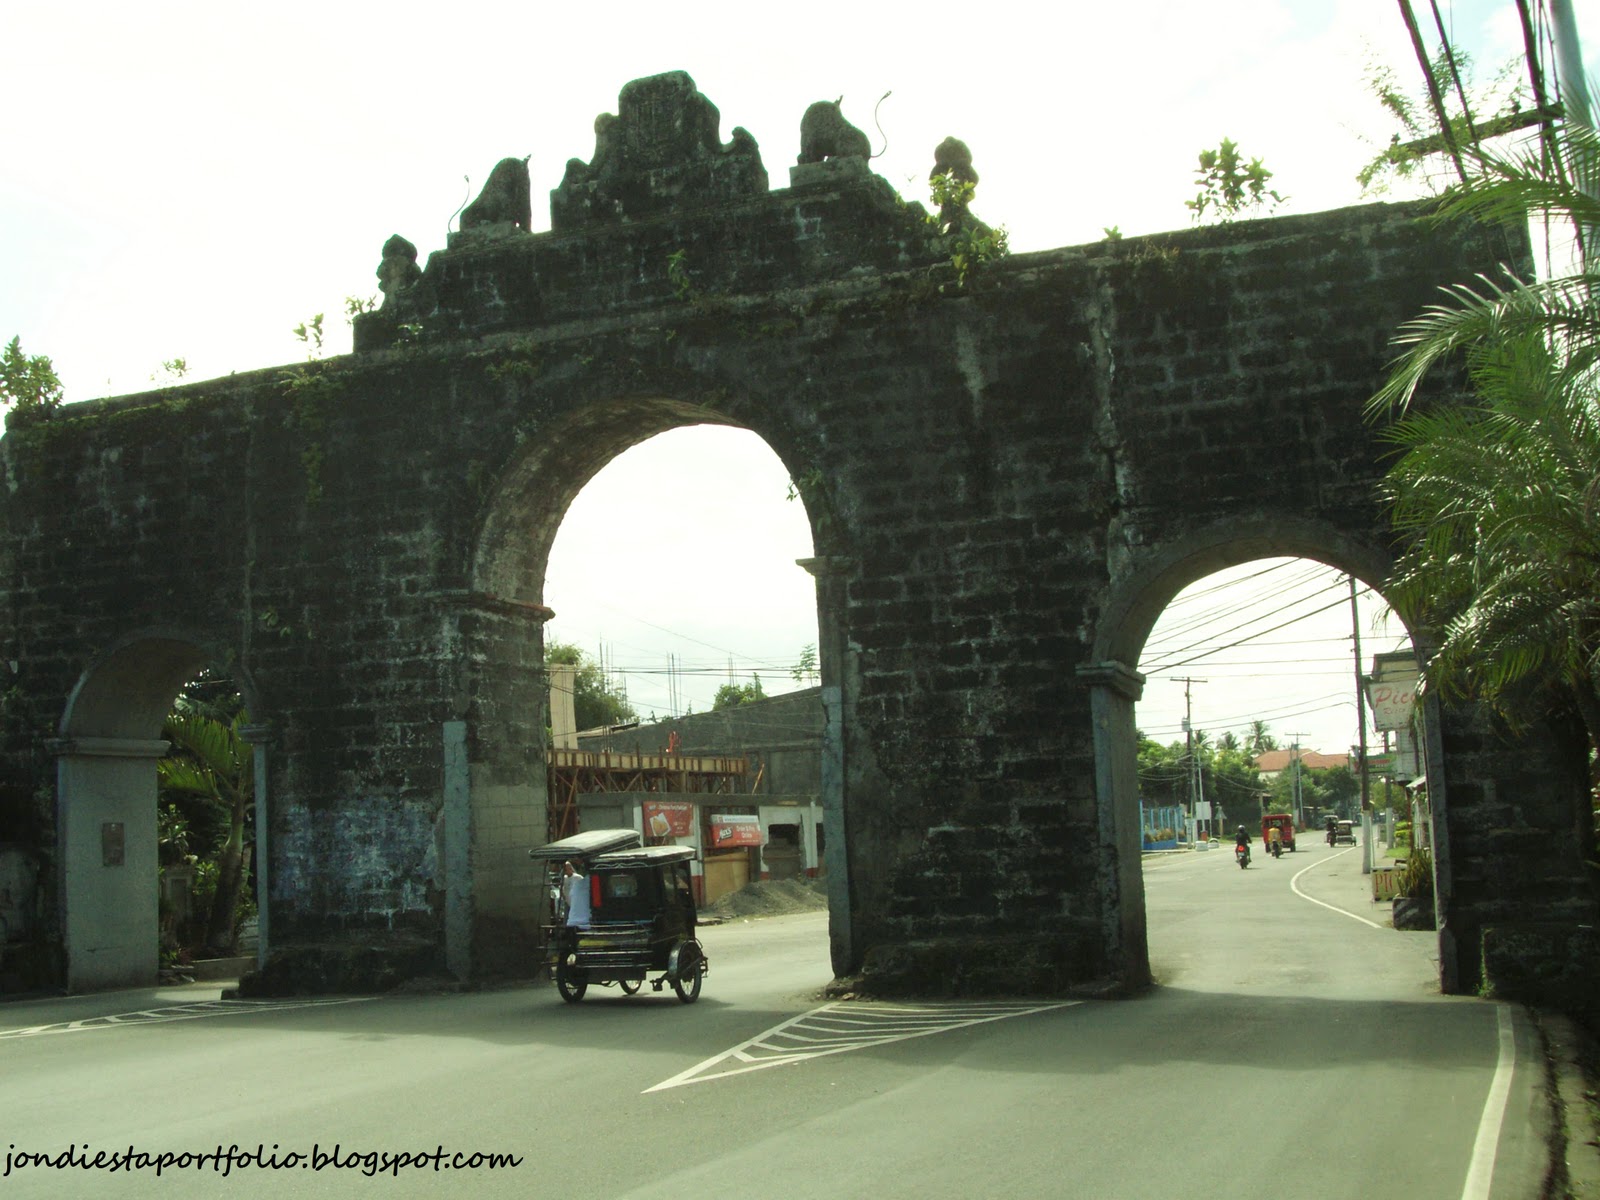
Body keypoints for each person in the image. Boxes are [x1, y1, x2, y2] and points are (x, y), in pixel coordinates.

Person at [560, 861, 591, 929]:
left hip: (576, 902)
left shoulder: (577, 877)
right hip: (568, 902)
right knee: (566, 918)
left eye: (569, 868)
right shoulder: (564, 878)